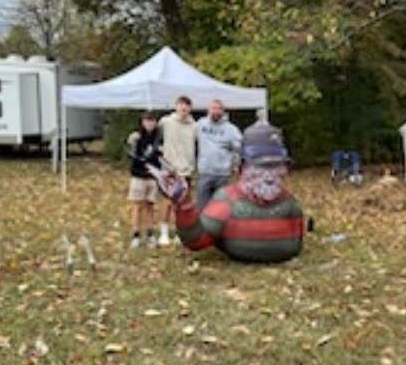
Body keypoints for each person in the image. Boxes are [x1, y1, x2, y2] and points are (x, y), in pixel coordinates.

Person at [151, 119, 304, 264]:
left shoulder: (289, 203)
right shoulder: (227, 201)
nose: (270, 176)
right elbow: (196, 241)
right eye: (260, 167)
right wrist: (184, 203)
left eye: (276, 167)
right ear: (241, 168)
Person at [156, 95, 196, 245]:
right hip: (169, 170)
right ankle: (164, 234)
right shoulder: (166, 122)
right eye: (181, 105)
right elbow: (152, 133)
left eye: (187, 106)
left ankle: (180, 232)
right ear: (176, 106)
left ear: (190, 108)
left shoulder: (194, 126)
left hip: (186, 171)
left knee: (182, 204)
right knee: (167, 203)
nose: (183, 109)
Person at [195, 99, 242, 209]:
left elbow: (240, 147)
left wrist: (235, 164)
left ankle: (219, 226)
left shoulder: (231, 129)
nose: (216, 111)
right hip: (204, 172)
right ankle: (202, 226)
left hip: (223, 175)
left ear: (223, 111)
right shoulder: (200, 124)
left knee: (221, 208)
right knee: (202, 207)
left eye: (219, 109)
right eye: (213, 108)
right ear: (208, 110)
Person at [126, 111, 162, 249]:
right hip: (138, 176)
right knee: (137, 205)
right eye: (147, 121)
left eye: (152, 121)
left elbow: (160, 155)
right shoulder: (136, 136)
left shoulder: (158, 137)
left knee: (150, 206)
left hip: (153, 176)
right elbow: (130, 152)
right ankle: (135, 234)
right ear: (142, 122)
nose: (150, 124)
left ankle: (150, 234)